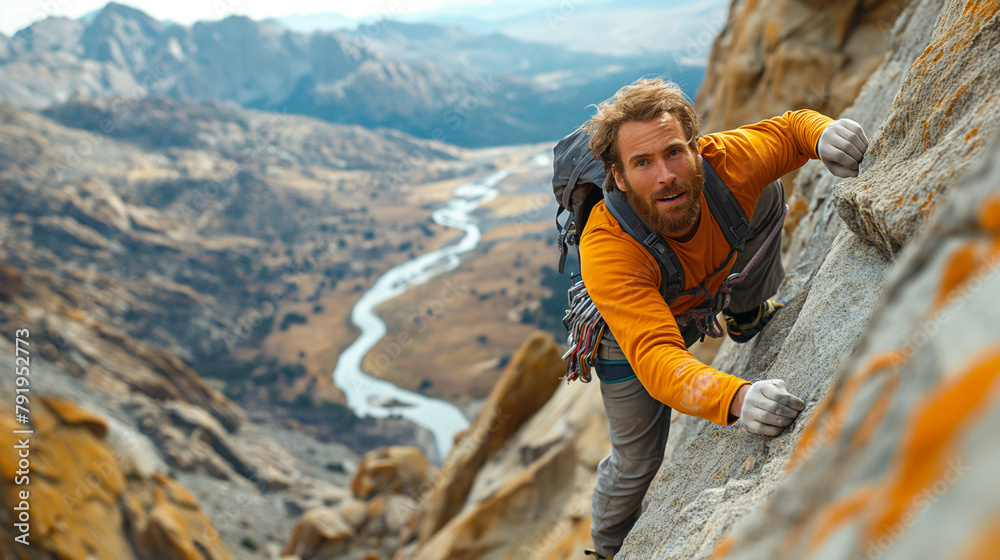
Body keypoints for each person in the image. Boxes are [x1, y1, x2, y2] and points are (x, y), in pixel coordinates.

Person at [578, 78, 868, 559]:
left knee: (768, 192)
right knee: (637, 460)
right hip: (629, 336)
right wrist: (736, 397)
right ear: (619, 177)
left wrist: (825, 134)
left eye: (673, 152)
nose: (666, 175)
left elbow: (794, 130)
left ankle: (747, 314)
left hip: (704, 292)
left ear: (695, 149)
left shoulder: (727, 163)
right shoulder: (608, 248)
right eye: (643, 163)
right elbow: (656, 357)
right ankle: (605, 551)